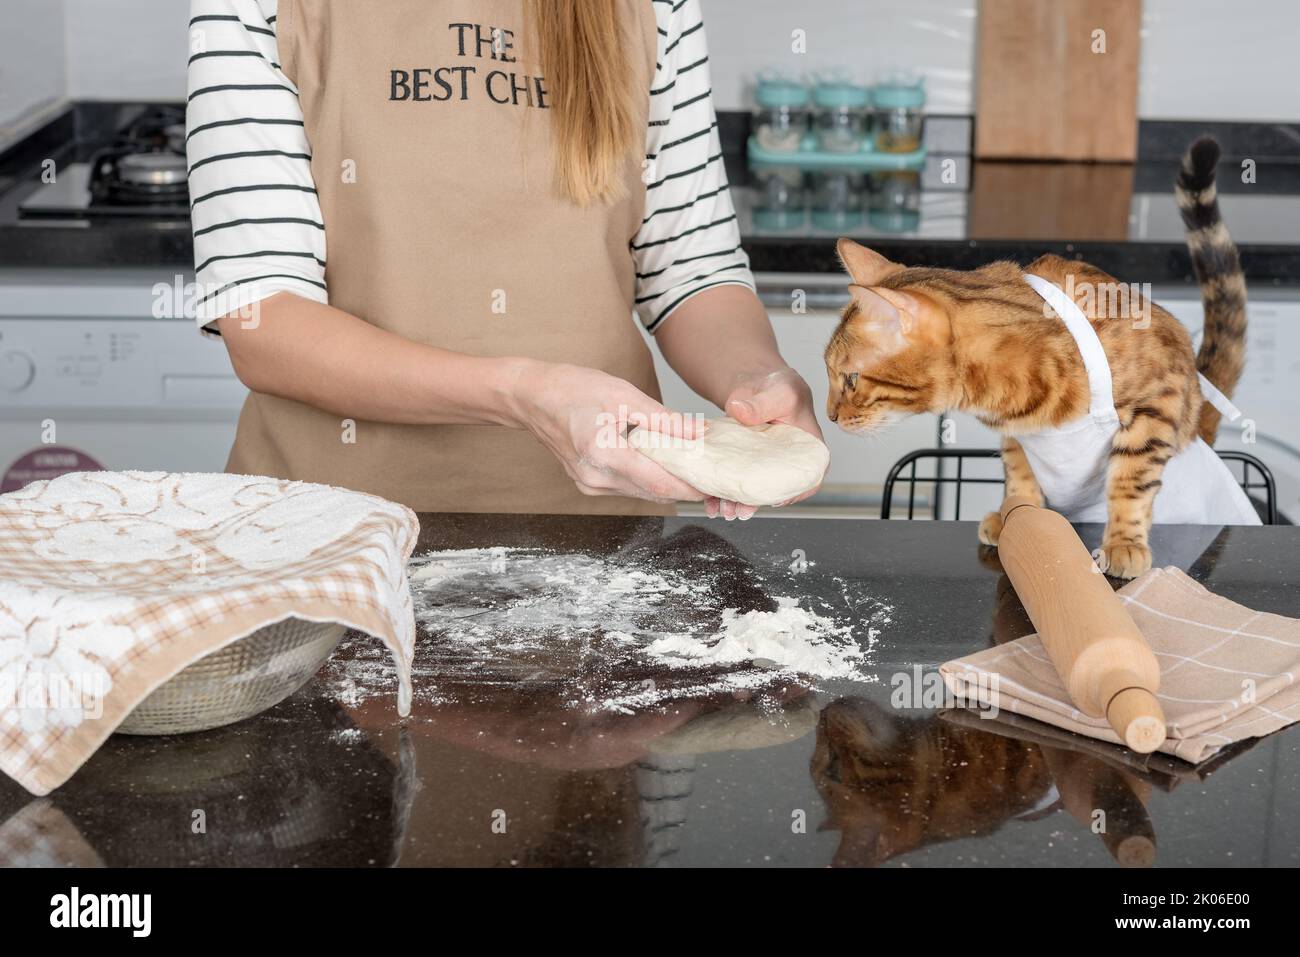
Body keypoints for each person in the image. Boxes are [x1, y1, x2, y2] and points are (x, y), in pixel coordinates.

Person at [187, 0, 821, 519]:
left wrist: (754, 378)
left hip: (601, 549)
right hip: (324, 535)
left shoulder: (654, 8)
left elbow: (692, 270)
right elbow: (263, 317)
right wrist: (525, 394)